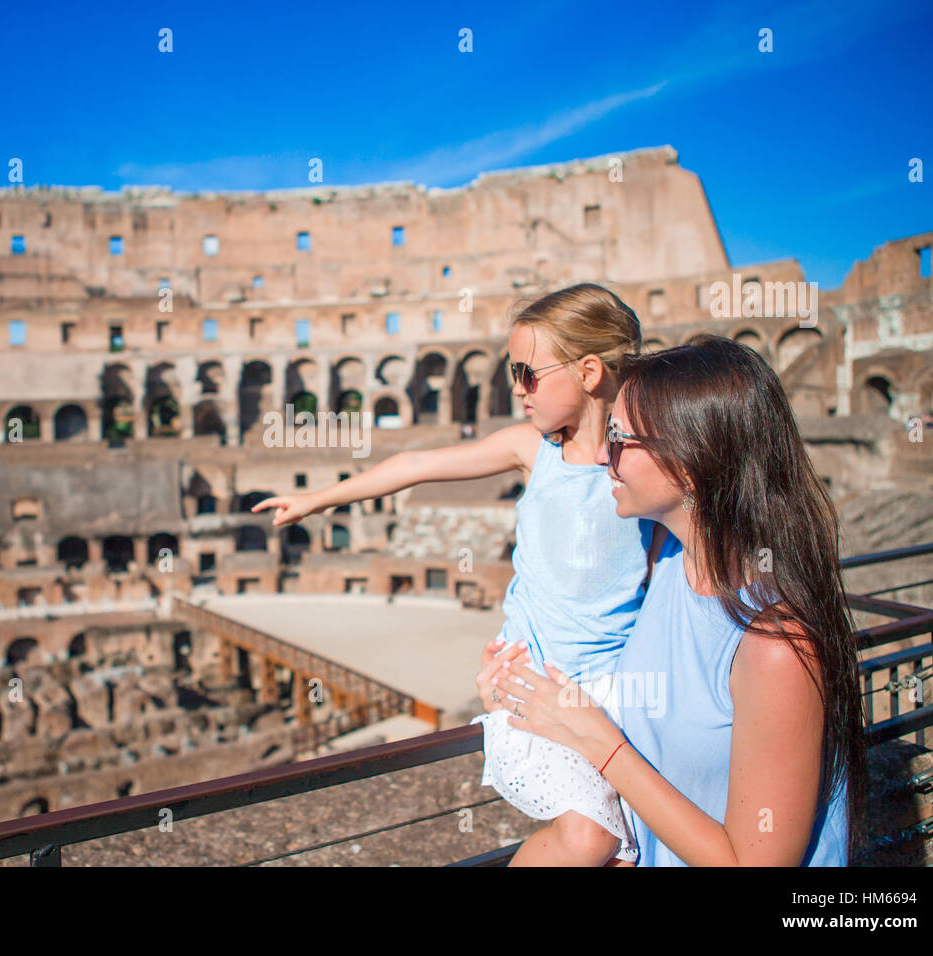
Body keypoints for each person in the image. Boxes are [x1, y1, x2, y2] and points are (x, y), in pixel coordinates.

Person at [253, 283, 657, 865]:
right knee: (592, 837)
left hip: (619, 688)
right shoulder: (531, 450)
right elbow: (418, 464)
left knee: (625, 852)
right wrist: (318, 499)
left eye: (527, 373)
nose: (515, 389)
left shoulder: (645, 465)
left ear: (590, 371)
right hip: (535, 683)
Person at [493, 335, 867, 865]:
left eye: (619, 439)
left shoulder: (777, 646)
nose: (601, 455)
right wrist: (507, 681)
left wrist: (599, 741)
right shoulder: (667, 561)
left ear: (687, 461)